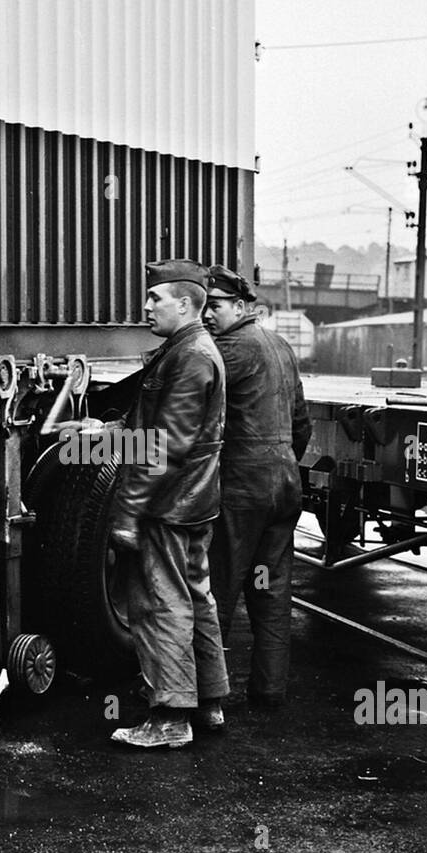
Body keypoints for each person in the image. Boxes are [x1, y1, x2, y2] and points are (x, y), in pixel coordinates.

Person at [108, 260, 229, 749]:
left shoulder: (191, 356)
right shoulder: (188, 350)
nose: (146, 306)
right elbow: (159, 431)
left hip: (169, 505)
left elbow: (165, 447)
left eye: (155, 298)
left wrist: (128, 512)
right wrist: (105, 435)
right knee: (196, 597)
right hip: (193, 500)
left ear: (184, 303)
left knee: (162, 604)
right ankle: (209, 703)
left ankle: (171, 718)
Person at [204, 266, 312, 709]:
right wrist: (281, 463)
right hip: (285, 482)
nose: (208, 315)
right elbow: (301, 424)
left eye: (217, 306)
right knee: (271, 592)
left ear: (243, 307)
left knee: (220, 590)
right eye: (205, 305)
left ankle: (205, 697)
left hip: (243, 486)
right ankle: (269, 691)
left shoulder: (228, 350)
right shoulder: (281, 347)